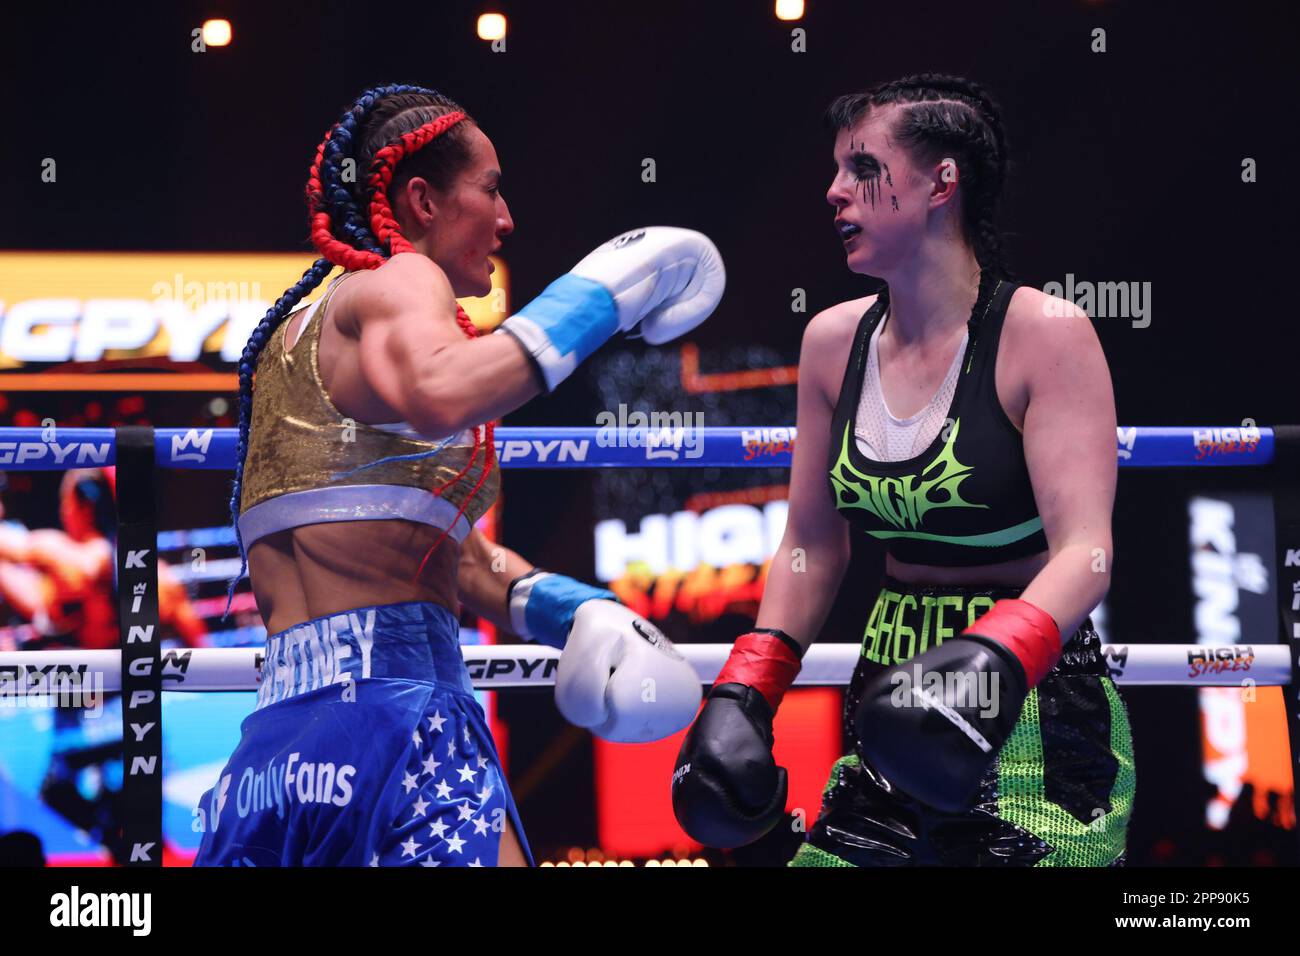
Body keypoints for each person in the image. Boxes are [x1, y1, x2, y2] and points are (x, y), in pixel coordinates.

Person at [194, 85, 723, 867]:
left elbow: (446, 555)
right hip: (398, 718)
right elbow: (444, 393)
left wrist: (574, 612)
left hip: (274, 752)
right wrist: (606, 294)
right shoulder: (399, 284)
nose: (507, 219)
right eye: (491, 188)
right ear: (422, 200)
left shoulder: (291, 341)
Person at [672, 74, 1135, 866]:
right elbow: (813, 543)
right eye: (836, 171)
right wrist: (748, 686)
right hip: (886, 697)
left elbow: (1086, 551)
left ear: (941, 184)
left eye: (863, 169)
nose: (833, 192)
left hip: (1032, 711)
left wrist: (987, 661)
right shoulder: (831, 342)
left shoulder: (1044, 333)